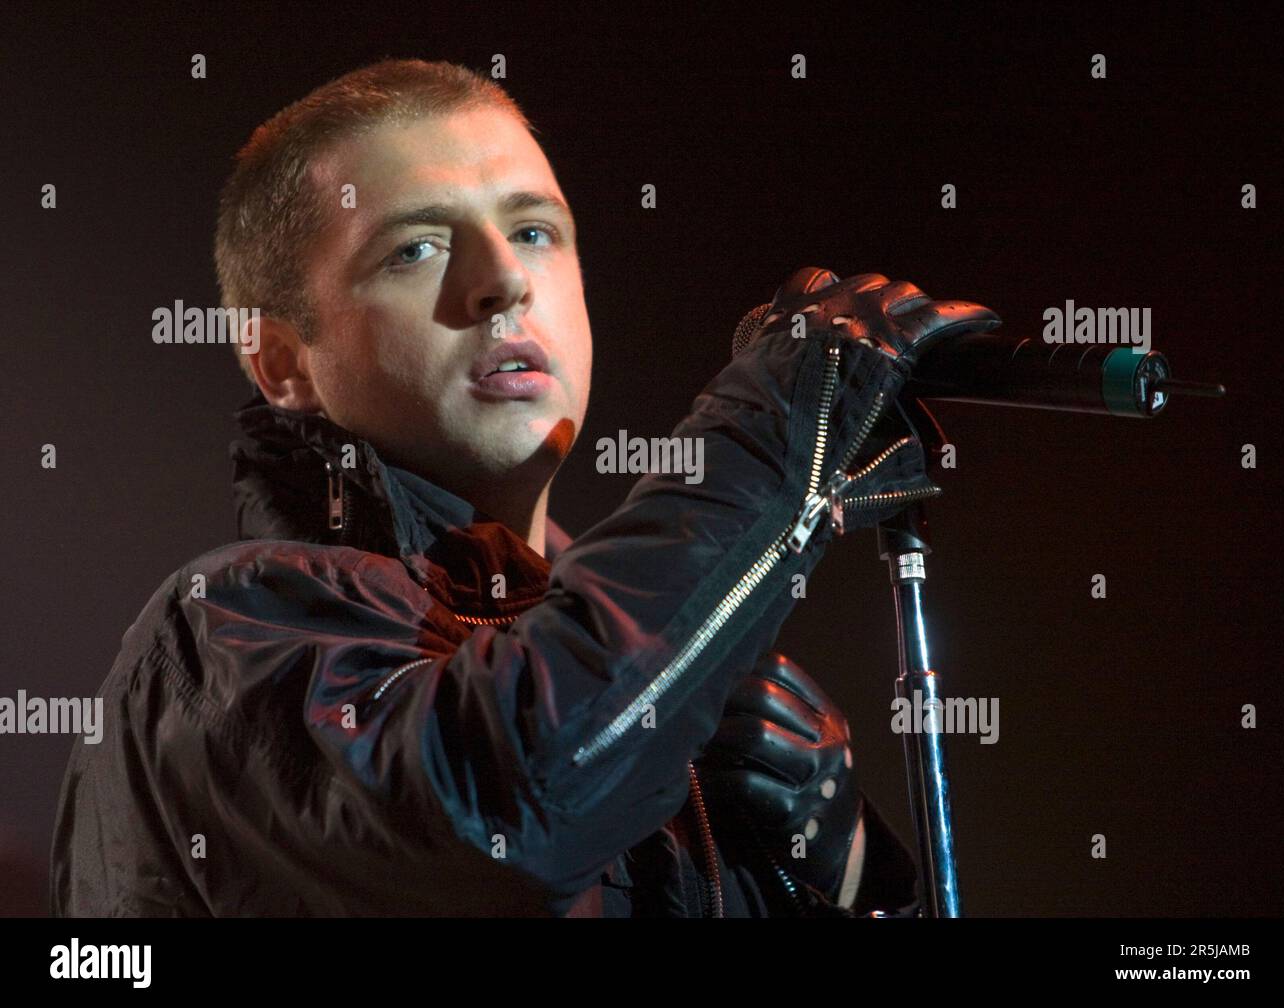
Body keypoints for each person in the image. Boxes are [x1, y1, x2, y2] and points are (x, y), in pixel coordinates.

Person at [50, 59, 999, 917]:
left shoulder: (667, 688)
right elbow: (506, 808)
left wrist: (843, 876)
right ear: (282, 360)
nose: (503, 279)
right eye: (414, 249)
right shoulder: (223, 639)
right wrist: (768, 436)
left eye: (535, 231)